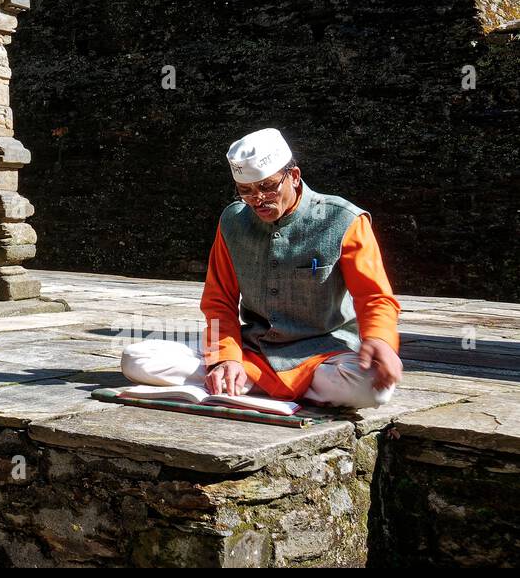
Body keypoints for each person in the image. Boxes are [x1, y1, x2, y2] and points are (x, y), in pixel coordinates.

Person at [121, 128, 403, 409]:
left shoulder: (343, 220)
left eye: (267, 186)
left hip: (323, 353)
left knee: (375, 389)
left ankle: (241, 384)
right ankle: (239, 376)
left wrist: (380, 339)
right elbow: (219, 301)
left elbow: (374, 297)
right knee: (136, 359)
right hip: (254, 349)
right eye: (246, 191)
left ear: (293, 176)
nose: (258, 199)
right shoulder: (233, 222)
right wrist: (226, 357)